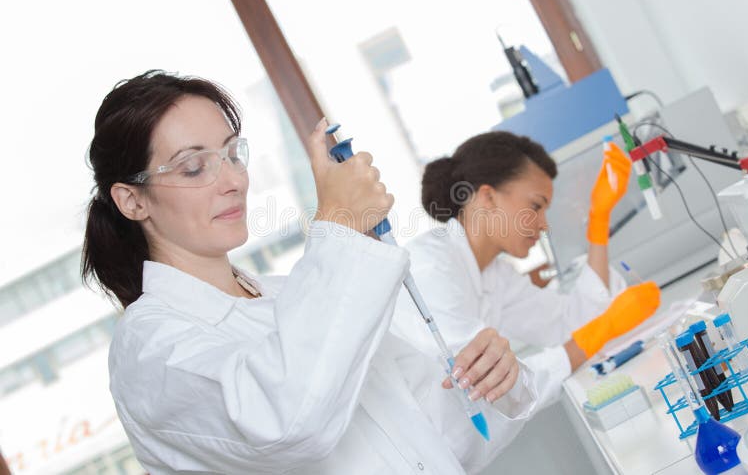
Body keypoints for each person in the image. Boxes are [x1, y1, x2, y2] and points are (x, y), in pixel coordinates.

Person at [83, 71, 543, 474]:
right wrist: (339, 224)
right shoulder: (149, 350)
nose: (234, 180)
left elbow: (443, 440)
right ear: (132, 200)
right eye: (193, 166)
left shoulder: (294, 296)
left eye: (232, 153)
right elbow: (287, 422)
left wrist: (496, 381)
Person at [390, 131, 660, 406]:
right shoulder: (429, 269)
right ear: (488, 198)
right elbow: (490, 382)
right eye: (535, 206)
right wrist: (603, 329)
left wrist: (598, 224)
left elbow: (571, 324)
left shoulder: (496, 274)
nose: (544, 225)